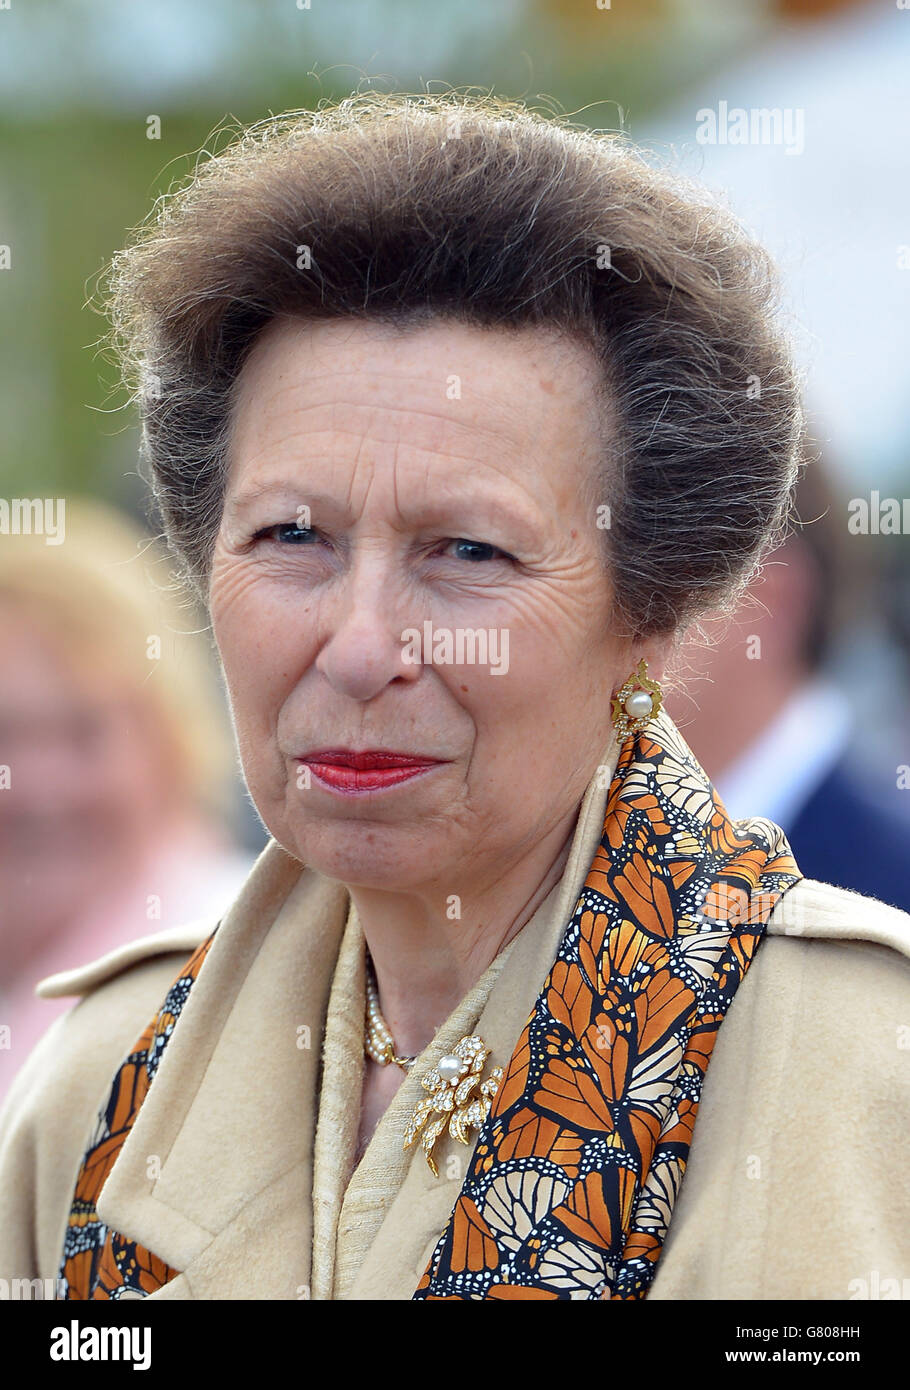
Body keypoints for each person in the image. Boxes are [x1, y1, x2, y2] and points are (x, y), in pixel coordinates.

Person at [1, 93, 908, 1302]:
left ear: (654, 607)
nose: (364, 644)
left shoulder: (845, 1062)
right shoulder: (112, 1077)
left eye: (468, 553)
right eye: (290, 535)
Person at [0, 498, 254, 1107]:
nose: (38, 787)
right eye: (4, 734)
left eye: (83, 733)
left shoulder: (238, 961)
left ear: (170, 745)